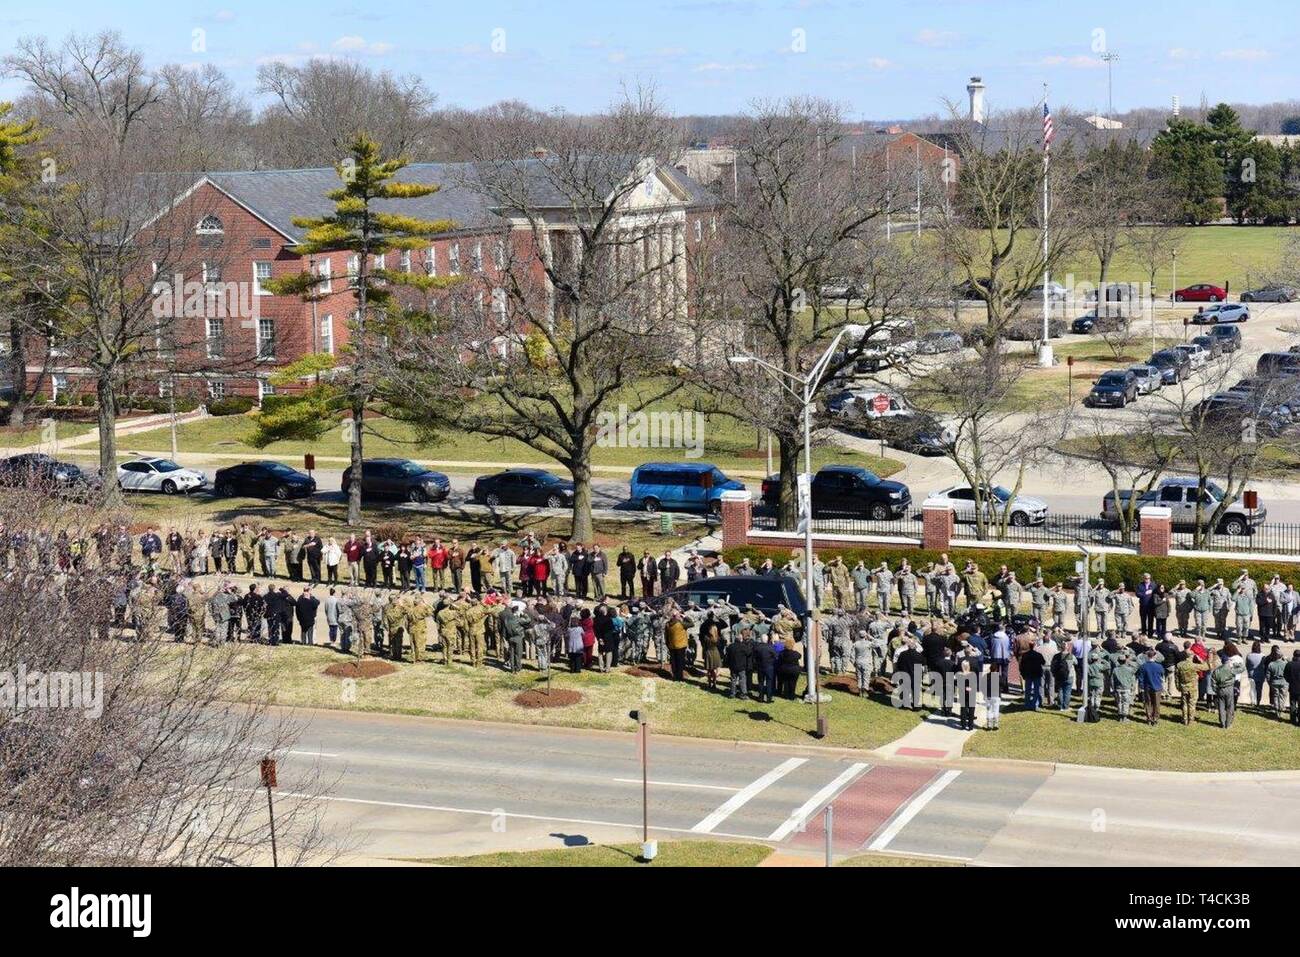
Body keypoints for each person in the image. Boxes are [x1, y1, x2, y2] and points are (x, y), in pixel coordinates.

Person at [1137, 649, 1165, 726]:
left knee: (1148, 703)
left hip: (1147, 687)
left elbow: (1141, 678)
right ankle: (1155, 719)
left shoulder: (1143, 666)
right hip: (1157, 687)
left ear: (1147, 656)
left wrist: (1141, 687)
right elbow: (1162, 675)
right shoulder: (1159, 666)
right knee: (1156, 704)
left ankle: (1149, 719)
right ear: (1155, 656)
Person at [665, 612, 689, 680]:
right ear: (677, 616)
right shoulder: (681, 624)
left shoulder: (667, 624)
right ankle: (679, 676)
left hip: (671, 645)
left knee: (673, 661)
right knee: (680, 661)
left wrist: (667, 644)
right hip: (681, 646)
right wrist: (685, 617)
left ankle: (674, 676)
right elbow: (691, 624)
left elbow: (666, 635)